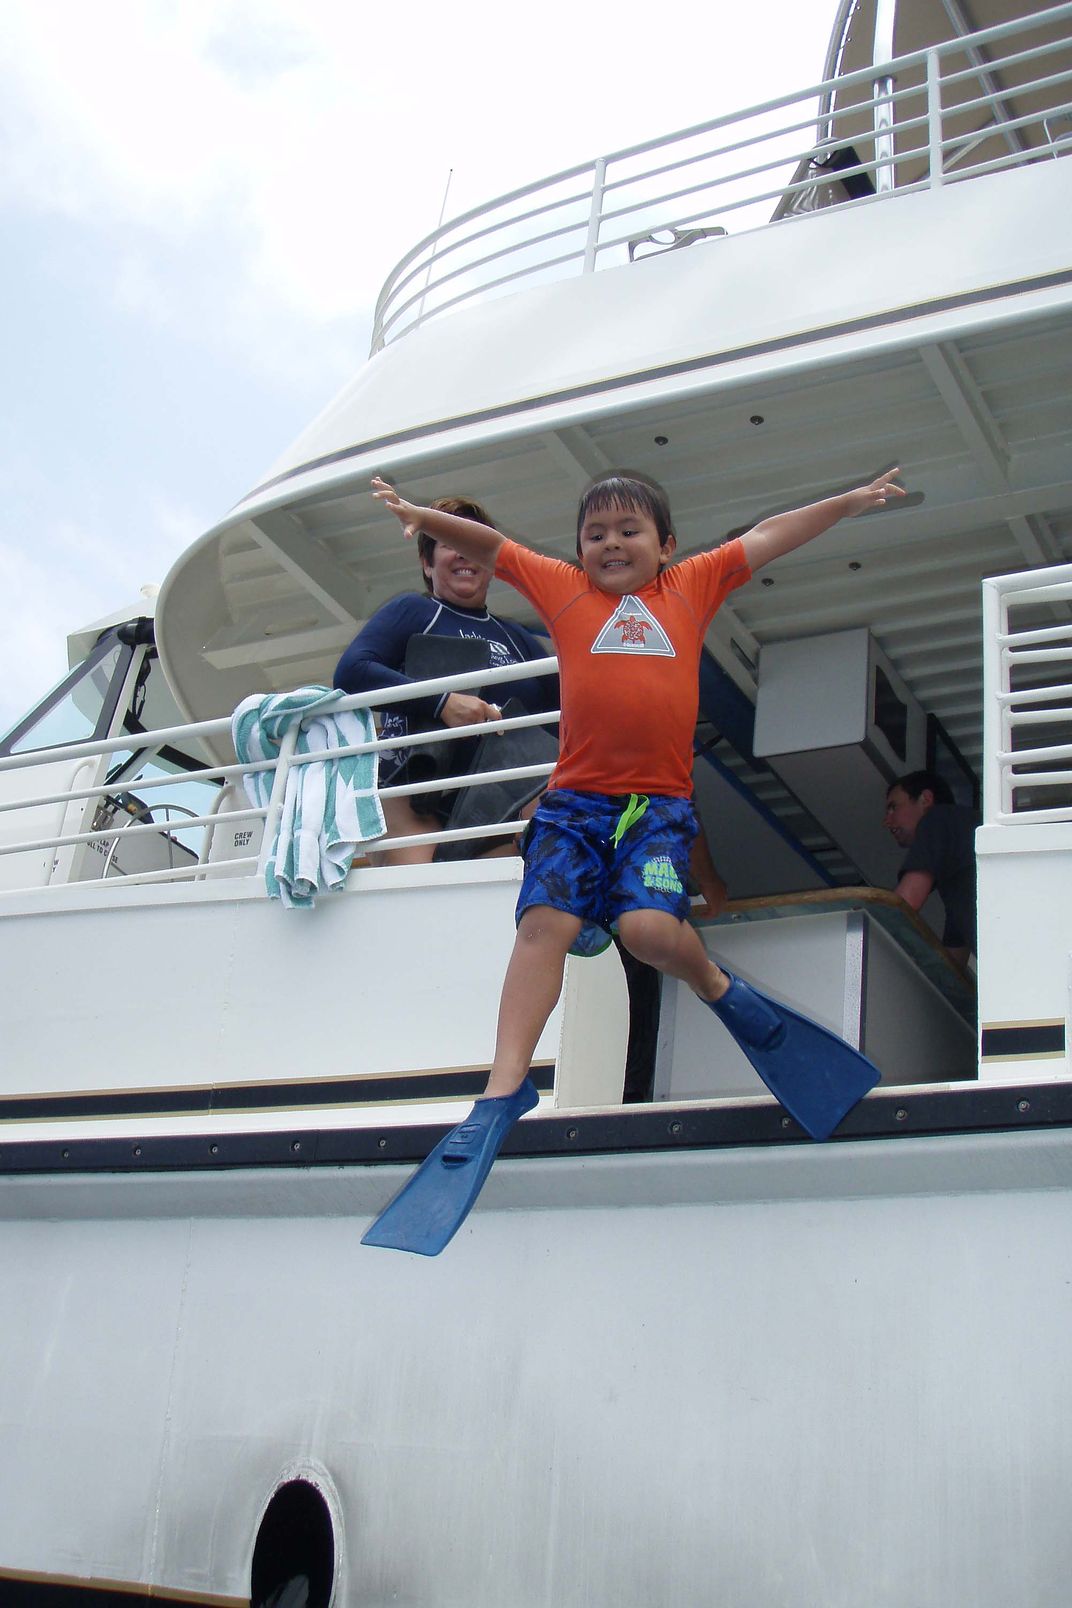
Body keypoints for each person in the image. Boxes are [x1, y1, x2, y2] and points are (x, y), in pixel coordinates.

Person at [373, 466, 906, 1103]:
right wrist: (420, 516)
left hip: (655, 808)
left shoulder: (692, 584)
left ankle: (713, 983)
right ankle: (505, 1084)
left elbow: (768, 536)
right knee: (542, 925)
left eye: (630, 530)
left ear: (667, 546)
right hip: (573, 805)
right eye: (594, 534)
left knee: (648, 932)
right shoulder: (563, 587)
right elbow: (491, 547)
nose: (612, 543)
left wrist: (847, 501)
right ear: (578, 552)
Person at [333, 495, 558, 864]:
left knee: (521, 887)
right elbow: (352, 671)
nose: (464, 554)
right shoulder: (415, 611)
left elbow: (566, 711)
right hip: (417, 789)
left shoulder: (517, 637)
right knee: (422, 892)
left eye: (474, 544)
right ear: (427, 562)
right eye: (450, 544)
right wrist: (443, 703)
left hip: (500, 799)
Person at [884, 769, 978, 964]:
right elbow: (954, 963)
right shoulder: (960, 879)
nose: (887, 821)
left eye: (894, 807)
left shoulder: (936, 818)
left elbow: (903, 905)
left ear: (925, 799)